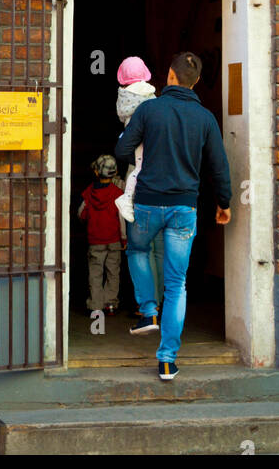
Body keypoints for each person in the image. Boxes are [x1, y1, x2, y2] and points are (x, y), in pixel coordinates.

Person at [114, 50, 231, 382]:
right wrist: (224, 202)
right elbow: (218, 167)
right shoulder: (206, 118)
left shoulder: (150, 110)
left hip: (148, 203)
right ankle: (166, 361)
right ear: (195, 82)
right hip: (184, 208)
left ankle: (148, 311)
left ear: (168, 75)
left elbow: (123, 151)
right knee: (177, 284)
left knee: (137, 250)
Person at [77, 154, 126, 316]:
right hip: (114, 240)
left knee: (95, 273)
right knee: (113, 272)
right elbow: (122, 218)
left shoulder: (89, 192)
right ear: (116, 171)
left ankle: (96, 305)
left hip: (95, 241)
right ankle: (110, 303)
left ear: (96, 173)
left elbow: (81, 214)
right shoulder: (118, 193)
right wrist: (124, 237)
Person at [114, 55, 156, 224]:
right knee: (140, 167)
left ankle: (128, 198)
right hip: (142, 133)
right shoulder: (146, 93)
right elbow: (156, 109)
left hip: (130, 132)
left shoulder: (123, 95)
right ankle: (127, 198)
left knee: (137, 166)